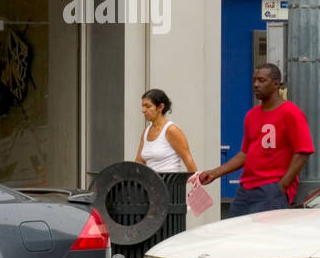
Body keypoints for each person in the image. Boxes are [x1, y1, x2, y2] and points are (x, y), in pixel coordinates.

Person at [199, 64, 315, 217]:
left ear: (275, 84)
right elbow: (245, 153)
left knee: (263, 238)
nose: (256, 85)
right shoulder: (251, 115)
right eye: (254, 80)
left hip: (271, 188)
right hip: (245, 189)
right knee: (234, 233)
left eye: (261, 80)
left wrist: (282, 186)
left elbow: (303, 152)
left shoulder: (291, 112)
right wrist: (215, 173)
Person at [133, 88, 196, 173]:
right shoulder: (146, 131)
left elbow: (189, 161)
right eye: (143, 106)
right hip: (150, 184)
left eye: (148, 106)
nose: (143, 110)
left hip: (169, 184)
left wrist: (197, 183)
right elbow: (139, 163)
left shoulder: (172, 130)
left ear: (160, 107)